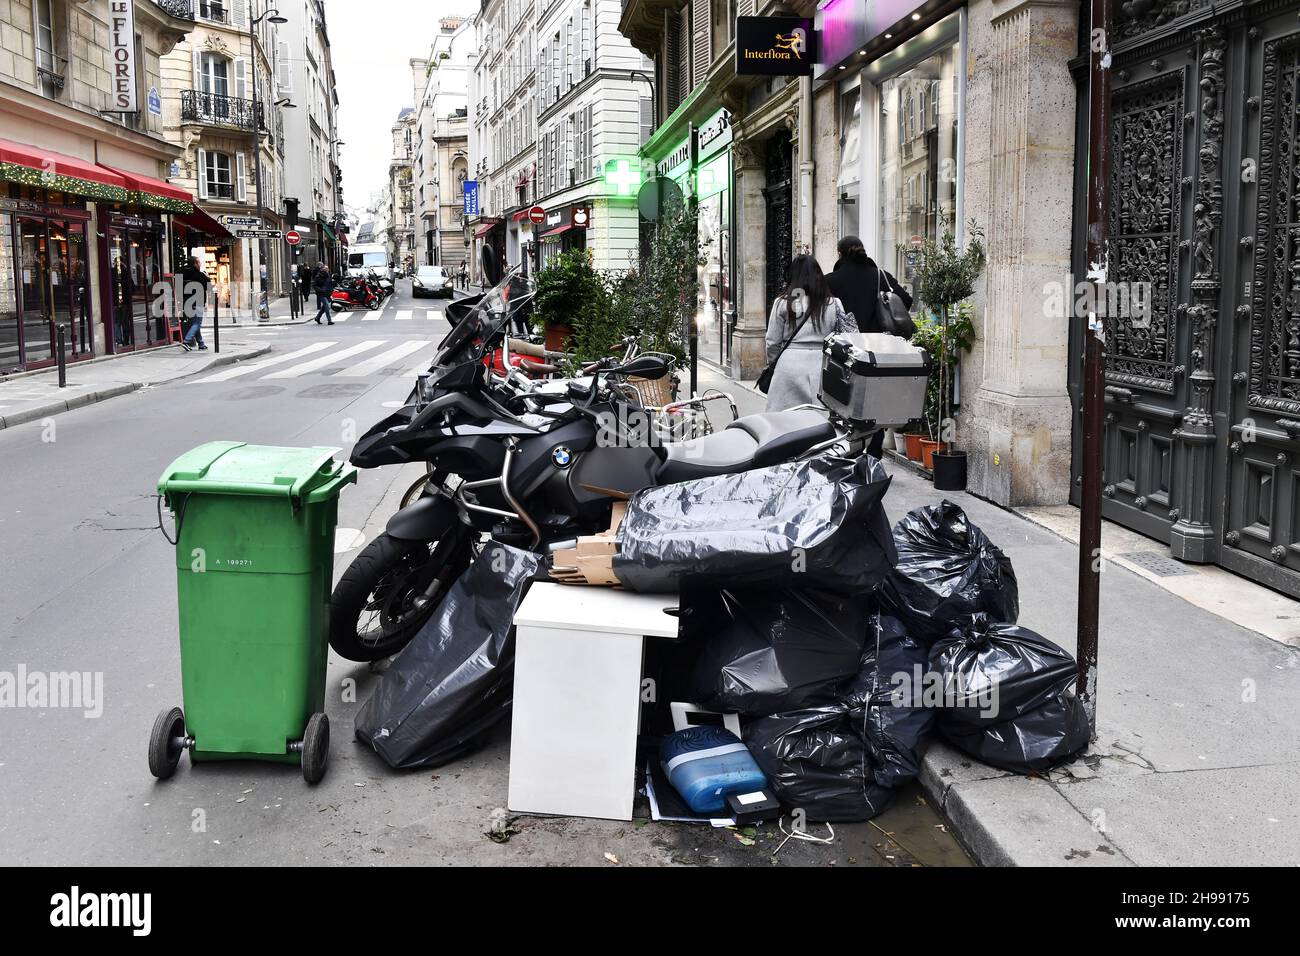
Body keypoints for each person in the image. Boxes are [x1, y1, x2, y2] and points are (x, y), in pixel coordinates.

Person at [826, 236, 914, 457]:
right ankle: (874, 452)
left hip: (846, 352)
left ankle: (848, 451)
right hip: (877, 351)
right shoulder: (880, 277)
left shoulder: (831, 281)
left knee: (843, 402)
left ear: (840, 254)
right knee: (875, 402)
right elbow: (906, 300)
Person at [764, 255, 856, 411]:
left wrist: (774, 362)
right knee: (818, 418)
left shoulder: (783, 302)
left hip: (788, 365)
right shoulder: (833, 303)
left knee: (783, 420)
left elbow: (772, 342)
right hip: (820, 364)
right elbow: (844, 338)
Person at [179, 256, 209, 351]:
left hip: (187, 302)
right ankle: (186, 341)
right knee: (197, 323)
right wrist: (208, 278)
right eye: (199, 262)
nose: (200, 264)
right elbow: (209, 288)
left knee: (195, 323)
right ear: (195, 264)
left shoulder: (182, 274)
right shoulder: (200, 275)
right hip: (198, 302)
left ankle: (201, 343)